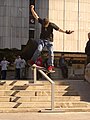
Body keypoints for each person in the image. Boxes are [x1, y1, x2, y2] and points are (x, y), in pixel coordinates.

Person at [30, 5, 74, 72]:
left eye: (45, 26)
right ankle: (32, 61)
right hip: (42, 40)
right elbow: (36, 16)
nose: (44, 26)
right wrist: (32, 9)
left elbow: (59, 29)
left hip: (49, 41)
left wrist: (66, 32)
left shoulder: (52, 25)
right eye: (43, 25)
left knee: (51, 53)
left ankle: (50, 65)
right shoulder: (42, 21)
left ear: (48, 23)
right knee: (39, 49)